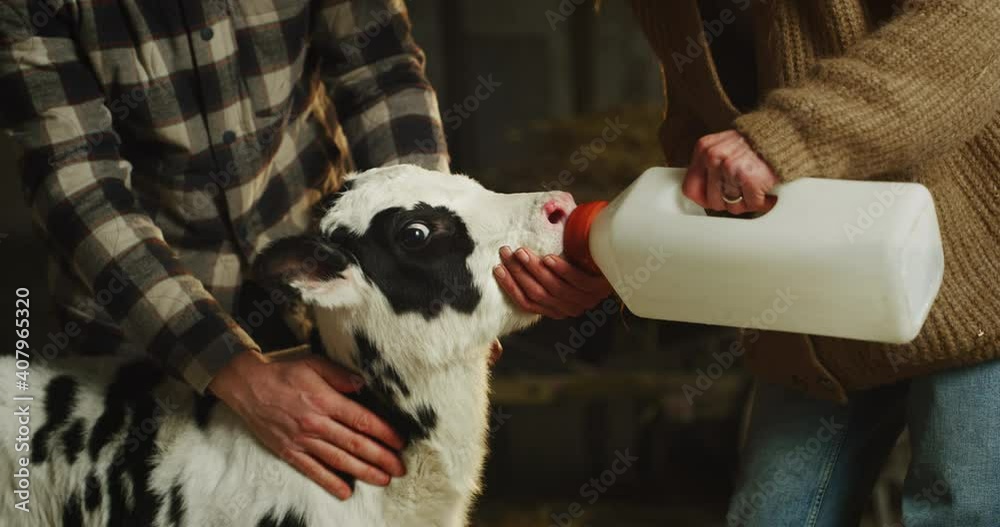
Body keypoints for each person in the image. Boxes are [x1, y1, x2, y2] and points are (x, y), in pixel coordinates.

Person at [0, 0, 608, 501]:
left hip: (333, 291)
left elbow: (379, 67)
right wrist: (227, 366)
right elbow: (75, 182)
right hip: (144, 334)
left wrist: (424, 275)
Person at [629, 0, 1000, 525]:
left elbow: (975, 24)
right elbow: (700, 123)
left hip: (980, 279)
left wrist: (787, 137)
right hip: (812, 309)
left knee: (964, 514)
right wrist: (612, 255)